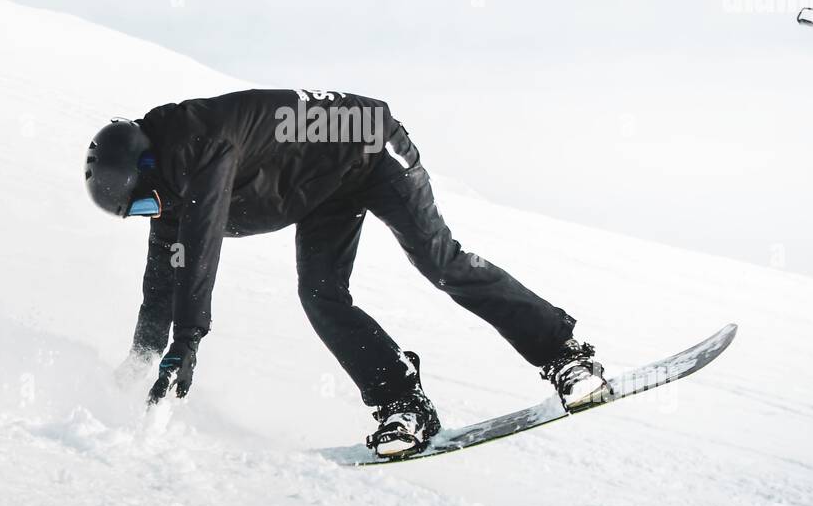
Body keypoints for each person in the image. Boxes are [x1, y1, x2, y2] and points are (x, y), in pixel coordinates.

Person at [85, 88, 609, 457]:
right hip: (321, 188)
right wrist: (140, 363)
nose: (149, 217)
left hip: (369, 145)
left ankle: (565, 355)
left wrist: (189, 340)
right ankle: (403, 404)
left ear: (147, 166)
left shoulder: (199, 144)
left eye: (140, 206)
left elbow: (200, 253)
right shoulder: (168, 194)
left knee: (440, 261)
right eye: (136, 215)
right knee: (320, 293)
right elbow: (162, 282)